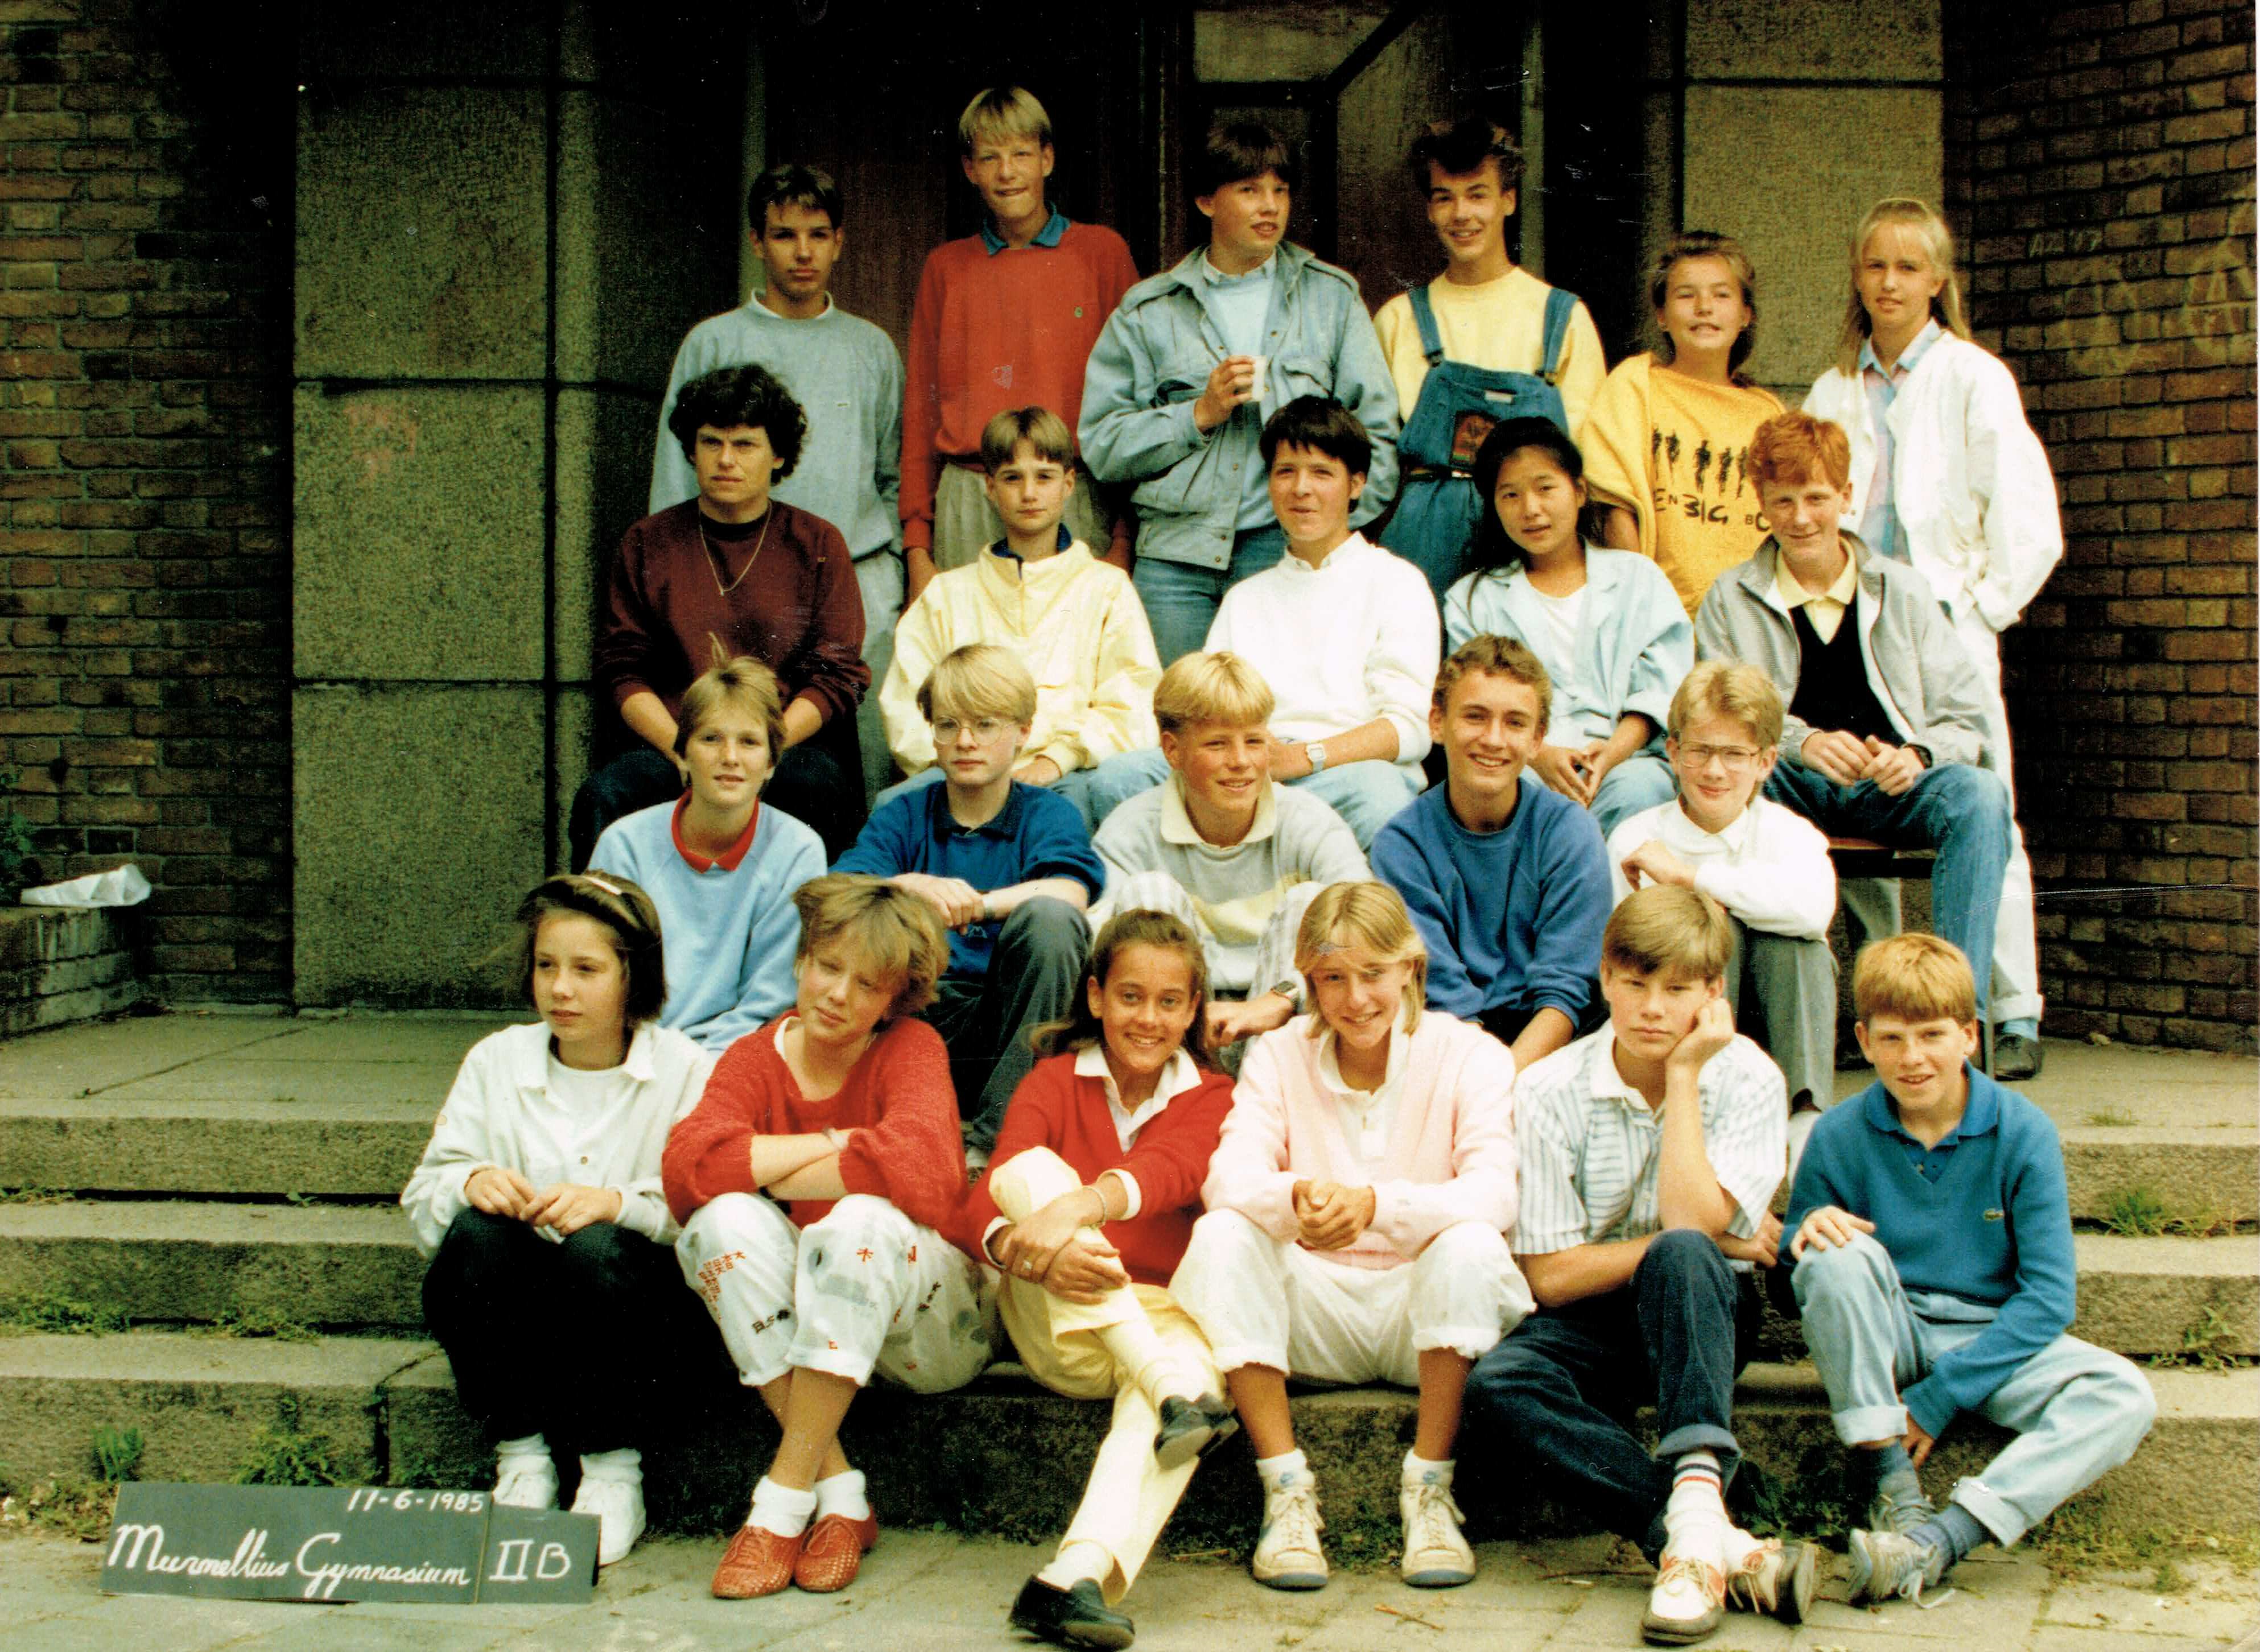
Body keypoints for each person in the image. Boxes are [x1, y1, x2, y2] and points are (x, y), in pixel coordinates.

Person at [1461, 885, 1815, 1646]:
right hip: (1595, 1317)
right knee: (1497, 1383)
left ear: (1714, 993)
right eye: (1634, 985)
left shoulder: (1749, 1077)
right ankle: (1703, 1530)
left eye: (1678, 990)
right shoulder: (1550, 1088)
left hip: (1708, 1314)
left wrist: (1685, 1077)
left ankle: (1689, 1529)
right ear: (1603, 979)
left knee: (1685, 1253)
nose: (1653, 1009)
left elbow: (1691, 1229)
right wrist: (1691, 1238)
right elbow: (1551, 1277)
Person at [1173, 882, 1531, 1593]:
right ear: (1308, 981)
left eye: (1373, 975)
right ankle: (1285, 1492)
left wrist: (1378, 1207)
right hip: (1314, 1313)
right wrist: (1295, 1199)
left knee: (1470, 1243)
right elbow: (1229, 1176)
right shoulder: (1279, 1054)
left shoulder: (1471, 1053)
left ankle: (1429, 1490)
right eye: (1332, 979)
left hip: (1425, 1317)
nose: (1355, 999)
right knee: (1222, 1235)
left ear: (1410, 967)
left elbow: (1495, 1192)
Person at [1786, 934, 2154, 1606]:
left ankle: (1939, 1542)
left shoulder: (2023, 1131)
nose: (1913, 1058)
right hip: (1885, 1331)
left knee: (2124, 1393)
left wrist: (1938, 1398)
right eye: (1892, 1039)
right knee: (1833, 1253)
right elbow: (1801, 1285)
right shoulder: (1837, 1134)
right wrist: (1803, 1237)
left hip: (1989, 1340)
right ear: (1863, 1042)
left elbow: (2048, 1300)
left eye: (1932, 1035)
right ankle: (1891, 1486)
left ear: (1969, 1037)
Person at [665, 875, 991, 1600]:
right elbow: (687, 1172)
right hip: (812, 1321)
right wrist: (842, 1144)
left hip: (928, 1334)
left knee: (861, 1221)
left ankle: (780, 1504)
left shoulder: (910, 1047)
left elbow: (929, 1177)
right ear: (802, 961)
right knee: (719, 1223)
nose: (838, 994)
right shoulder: (756, 1056)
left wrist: (765, 1169)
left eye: (867, 983)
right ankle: (841, 1495)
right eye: (827, 967)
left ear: (895, 999)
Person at [1801, 200, 2062, 1081]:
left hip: (1943, 628)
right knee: (1865, 808)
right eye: (1875, 265)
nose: (1890, 282)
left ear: (1938, 280)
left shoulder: (1973, 377)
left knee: (1984, 806)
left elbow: (2030, 522)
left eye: (1909, 267)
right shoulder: (1838, 388)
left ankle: (2007, 1009)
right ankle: (1886, 1005)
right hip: (1855, 626)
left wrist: (1976, 611)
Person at [402, 872, 719, 1568]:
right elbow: (425, 1197)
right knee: (476, 1236)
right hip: (520, 1313)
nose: (561, 989)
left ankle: (612, 1470)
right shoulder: (496, 1059)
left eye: (586, 970)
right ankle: (522, 1455)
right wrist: (471, 1179)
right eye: (547, 966)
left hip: (633, 1319)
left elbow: (708, 1207)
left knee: (598, 1249)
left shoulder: (685, 1069)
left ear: (634, 975)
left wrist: (617, 1204)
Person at [964, 910, 1239, 1649]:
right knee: (1024, 1170)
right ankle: (1169, 1387)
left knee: (1183, 1381)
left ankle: (1071, 1576)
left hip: (1154, 1311)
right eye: (1129, 996)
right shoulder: (1053, 1081)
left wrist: (1081, 1205)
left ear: (1191, 1009)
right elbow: (989, 1191)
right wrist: (1039, 1247)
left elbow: (1175, 1169)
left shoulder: (1211, 1097)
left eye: (1169, 1001)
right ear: (1094, 996)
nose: (1148, 1018)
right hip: (1050, 1314)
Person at [1693, 410, 2012, 1023]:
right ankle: (1738, 1019)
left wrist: (1917, 754)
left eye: (1816, 497)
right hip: (1783, 785)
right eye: (1782, 501)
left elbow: (1965, 717)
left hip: (1887, 787)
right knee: (1723, 781)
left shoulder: (1904, 590)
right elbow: (1717, 717)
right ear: (1760, 502)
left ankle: (1950, 1013)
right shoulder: (1731, 597)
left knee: (1980, 797)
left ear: (1847, 496)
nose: (1801, 517)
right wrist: (1800, 742)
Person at [1080, 120, 1400, 664]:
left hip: (1290, 554)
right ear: (1206, 201)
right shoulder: (1149, 311)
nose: (1269, 206)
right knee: (1181, 721)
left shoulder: (1331, 298)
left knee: (1283, 721)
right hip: (1177, 563)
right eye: (1249, 190)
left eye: (1280, 190)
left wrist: (1332, 537)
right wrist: (1198, 414)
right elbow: (1102, 445)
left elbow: (1379, 435)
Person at [648, 162, 907, 804]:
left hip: (857, 575)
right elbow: (675, 480)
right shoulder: (715, 342)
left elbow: (892, 472)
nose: (803, 252)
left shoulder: (871, 348)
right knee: (729, 754)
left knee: (864, 762)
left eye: (818, 235)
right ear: (758, 242)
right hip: (737, 577)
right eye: (784, 235)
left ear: (840, 241)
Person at [580, 364, 868, 864]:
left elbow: (837, 674)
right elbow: (621, 668)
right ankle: (607, 936)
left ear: (778, 455)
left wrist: (765, 748)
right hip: (674, 743)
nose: (726, 460)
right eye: (711, 443)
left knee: (816, 788)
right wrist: (686, 748)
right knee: (608, 795)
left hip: (784, 746)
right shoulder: (648, 543)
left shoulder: (817, 543)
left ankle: (816, 941)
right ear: (692, 450)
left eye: (745, 445)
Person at [834, 645, 1104, 1159]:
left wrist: (978, 906)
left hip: (1019, 1019)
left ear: (1024, 731)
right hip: (921, 1011)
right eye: (947, 725)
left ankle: (997, 1144)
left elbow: (1070, 892)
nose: (965, 742)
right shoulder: (904, 813)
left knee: (1050, 921)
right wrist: (912, 885)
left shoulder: (1049, 813)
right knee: (859, 921)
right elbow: (838, 886)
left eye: (985, 725)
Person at [878, 406, 1162, 830]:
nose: (1029, 493)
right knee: (891, 809)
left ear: (1068, 485)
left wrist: (1055, 759)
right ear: (990, 488)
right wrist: (974, 769)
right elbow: (905, 707)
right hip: (964, 779)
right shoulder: (947, 594)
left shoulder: (1107, 588)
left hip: (1070, 775)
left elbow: (1133, 702)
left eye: (1045, 476)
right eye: (1012, 477)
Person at [904, 86, 1137, 593]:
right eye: (990, 158)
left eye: (1021, 154)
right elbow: (921, 411)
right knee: (974, 666)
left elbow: (1135, 400)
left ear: (1047, 159)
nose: (1007, 172)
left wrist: (1124, 533)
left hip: (1073, 490)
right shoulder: (946, 268)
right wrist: (918, 545)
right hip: (970, 492)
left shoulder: (1101, 253)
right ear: (970, 169)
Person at [1090, 650, 1369, 1058]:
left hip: (1282, 1031)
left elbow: (1376, 929)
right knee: (1148, 894)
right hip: (1174, 1034)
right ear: (1172, 750)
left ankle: (1269, 1105)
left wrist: (1282, 997)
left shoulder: (1308, 821)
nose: (1241, 762)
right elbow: (1097, 957)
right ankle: (1179, 1099)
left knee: (1316, 903)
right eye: (1218, 744)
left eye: (1255, 741)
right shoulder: (1131, 830)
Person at [1373, 116, 1607, 600]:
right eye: (1444, 197)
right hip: (1421, 541)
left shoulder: (1561, 317)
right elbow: (1373, 454)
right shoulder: (1399, 320)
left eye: (1478, 194)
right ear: (1430, 210)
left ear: (1509, 201)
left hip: (1530, 535)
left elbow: (1589, 460)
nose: (1462, 214)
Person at [1190, 397, 1437, 848]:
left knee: (1380, 795)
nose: (1301, 488)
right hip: (1248, 773)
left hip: (1349, 777)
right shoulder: (1245, 598)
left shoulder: (1397, 582)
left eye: (1322, 473)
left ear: (1356, 484)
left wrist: (1304, 758)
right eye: (1286, 472)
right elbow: (1209, 707)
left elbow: (1410, 727)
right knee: (1124, 777)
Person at [1610, 662, 1838, 1126]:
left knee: (1802, 948)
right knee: (1713, 927)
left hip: (1777, 1019)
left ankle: (1805, 1124)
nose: (1715, 771)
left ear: (1766, 762)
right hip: (1674, 1038)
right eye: (1700, 751)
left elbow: (1814, 912)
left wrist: (1687, 878)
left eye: (1735, 754)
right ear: (1673, 752)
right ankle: (1694, 1111)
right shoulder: (1636, 837)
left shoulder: (1791, 834)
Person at [1370, 635, 1612, 1073]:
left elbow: (1567, 989)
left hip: (1555, 1040)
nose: (1494, 739)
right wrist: (1482, 1084)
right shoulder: (1401, 845)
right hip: (1451, 1040)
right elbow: (1440, 992)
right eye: (1475, 717)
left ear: (1539, 740)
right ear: (1438, 722)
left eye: (1516, 723)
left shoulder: (1570, 831)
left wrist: (1507, 1079)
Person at [1443, 416, 1689, 839]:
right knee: (1509, 795)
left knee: (1642, 791)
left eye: (1545, 488)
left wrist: (1610, 755)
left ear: (1579, 491)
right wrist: (1540, 755)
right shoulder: (1472, 599)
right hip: (1521, 762)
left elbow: (1663, 686)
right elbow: (1471, 700)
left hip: (1625, 762)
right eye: (1511, 495)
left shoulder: (1637, 578)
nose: (1531, 509)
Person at [589, 656, 827, 1052]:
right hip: (636, 1052)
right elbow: (602, 976)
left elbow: (771, 999)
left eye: (749, 742)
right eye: (711, 738)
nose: (730, 757)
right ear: (681, 754)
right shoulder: (624, 845)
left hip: (740, 1057)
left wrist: (706, 1067)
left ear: (771, 763)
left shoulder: (798, 851)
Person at [1578, 232, 1783, 618]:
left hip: (1749, 618)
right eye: (1686, 295)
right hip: (1660, 615)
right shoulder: (1635, 386)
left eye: (1722, 295)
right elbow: (1616, 508)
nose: (1704, 307)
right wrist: (1644, 611)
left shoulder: (1769, 414)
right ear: (1661, 315)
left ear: (1745, 315)